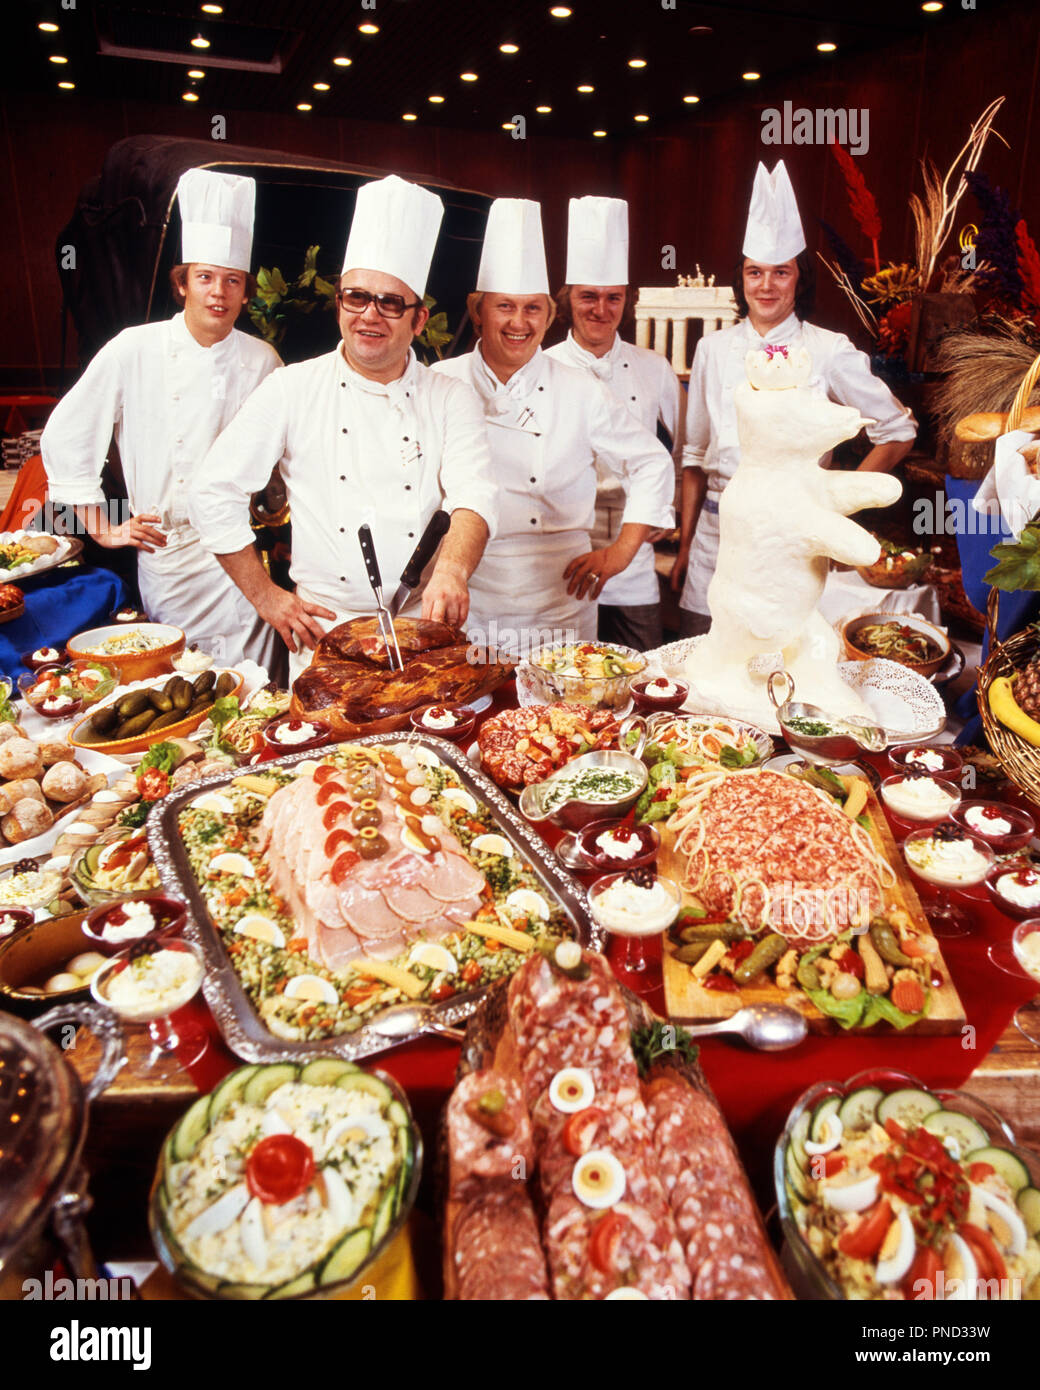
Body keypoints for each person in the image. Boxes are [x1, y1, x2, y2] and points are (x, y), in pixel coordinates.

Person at [189, 174, 498, 682]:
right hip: (325, 633)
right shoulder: (292, 388)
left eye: (390, 302)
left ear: (419, 321)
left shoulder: (450, 396)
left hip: (425, 627)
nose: (370, 315)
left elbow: (475, 494)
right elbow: (213, 491)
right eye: (356, 296)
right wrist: (268, 598)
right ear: (339, 304)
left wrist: (452, 570)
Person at [42, 169, 283, 668]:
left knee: (255, 684)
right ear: (182, 285)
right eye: (205, 277)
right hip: (167, 555)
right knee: (177, 684)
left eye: (232, 280)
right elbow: (68, 431)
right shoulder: (135, 348)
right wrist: (103, 527)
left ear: (244, 292)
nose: (218, 292)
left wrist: (272, 511)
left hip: (238, 557)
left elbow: (286, 456)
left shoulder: (263, 359)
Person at [671, 160, 917, 637]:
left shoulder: (829, 350)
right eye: (754, 272)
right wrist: (684, 546)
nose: (766, 285)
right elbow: (695, 457)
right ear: (740, 278)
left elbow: (898, 431)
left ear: (799, 278)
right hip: (714, 537)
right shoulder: (713, 349)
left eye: (780, 273)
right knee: (702, 658)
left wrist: (830, 505)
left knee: (779, 653)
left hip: (791, 532)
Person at [432, 198, 674, 659]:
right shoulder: (443, 381)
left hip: (562, 597)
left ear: (548, 313)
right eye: (504, 306)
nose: (519, 323)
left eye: (532, 308)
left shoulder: (580, 390)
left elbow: (650, 462)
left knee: (563, 717)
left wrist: (622, 550)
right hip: (475, 594)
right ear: (476, 309)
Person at [546, 196, 683, 652]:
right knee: (570, 671)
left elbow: (682, 447)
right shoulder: (543, 368)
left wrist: (671, 503)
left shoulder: (653, 367)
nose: (600, 309)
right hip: (563, 554)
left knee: (642, 670)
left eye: (613, 298)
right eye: (588, 296)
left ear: (627, 302)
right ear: (568, 299)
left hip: (634, 553)